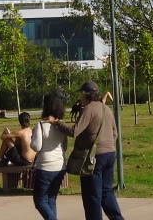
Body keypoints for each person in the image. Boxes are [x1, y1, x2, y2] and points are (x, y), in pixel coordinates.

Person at [54, 81, 124, 220]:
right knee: (106, 191)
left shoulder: (89, 109)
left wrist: (57, 123)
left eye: (81, 93)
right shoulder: (106, 109)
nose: (79, 97)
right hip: (110, 154)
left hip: (94, 157)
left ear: (86, 94)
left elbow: (74, 131)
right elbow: (115, 133)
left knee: (92, 195)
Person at [31, 93, 68, 220]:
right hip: (60, 165)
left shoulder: (41, 124)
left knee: (40, 201)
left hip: (45, 166)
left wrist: (32, 138)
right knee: (51, 198)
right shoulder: (61, 125)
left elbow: (36, 147)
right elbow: (65, 146)